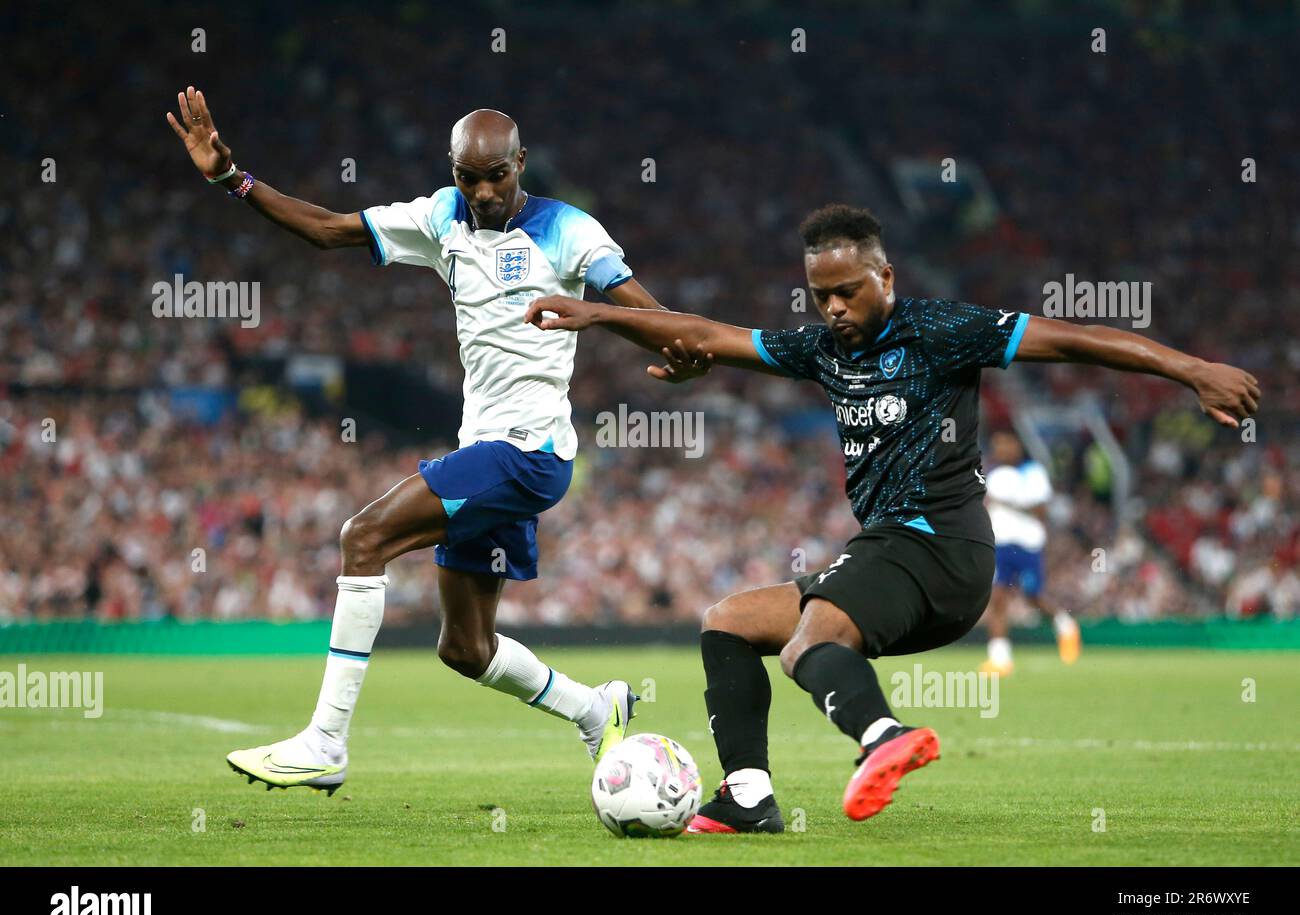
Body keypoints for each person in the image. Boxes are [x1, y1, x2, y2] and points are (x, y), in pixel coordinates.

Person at [523, 203, 1260, 832]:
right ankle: (748, 794)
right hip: (895, 557)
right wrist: (598, 315)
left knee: (808, 641)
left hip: (942, 549)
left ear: (887, 278)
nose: (834, 309)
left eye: (847, 291)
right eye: (821, 296)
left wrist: (1191, 369)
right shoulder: (821, 350)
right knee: (729, 621)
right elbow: (710, 337)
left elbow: (1073, 338)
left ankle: (883, 736)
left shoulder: (942, 330)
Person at [166, 87, 702, 794]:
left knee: (363, 537)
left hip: (529, 452)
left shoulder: (570, 230)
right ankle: (595, 709)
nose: (482, 192)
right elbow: (328, 229)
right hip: (488, 447)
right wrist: (230, 178)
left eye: (497, 176)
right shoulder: (439, 217)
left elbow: (644, 308)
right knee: (465, 647)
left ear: (522, 164)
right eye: (468, 177)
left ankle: (325, 744)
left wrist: (680, 347)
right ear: (453, 172)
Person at [981, 430, 1081, 676]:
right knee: (997, 598)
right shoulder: (994, 475)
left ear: (1017, 445)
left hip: (1028, 544)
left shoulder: (1033, 473)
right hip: (1001, 543)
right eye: (996, 445)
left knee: (1032, 596)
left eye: (1004, 443)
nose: (1000, 449)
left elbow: (1040, 512)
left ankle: (1066, 626)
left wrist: (1007, 504)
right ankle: (1000, 659)